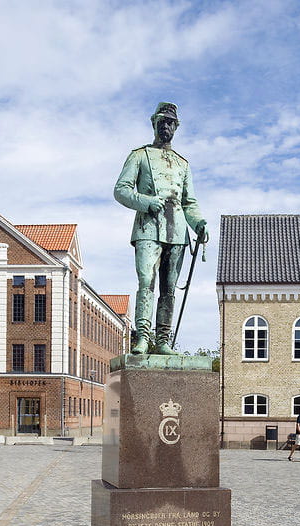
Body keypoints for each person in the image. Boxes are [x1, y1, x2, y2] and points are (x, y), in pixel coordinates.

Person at [114, 102, 209, 355]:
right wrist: (146, 202)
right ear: (154, 123)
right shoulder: (139, 155)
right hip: (148, 227)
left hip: (177, 231)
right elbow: (121, 190)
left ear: (176, 127)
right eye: (162, 121)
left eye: (170, 122)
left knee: (168, 288)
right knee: (146, 281)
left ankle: (164, 340)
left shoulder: (182, 164)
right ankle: (143, 338)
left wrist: (198, 223)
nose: (166, 126)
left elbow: (190, 202)